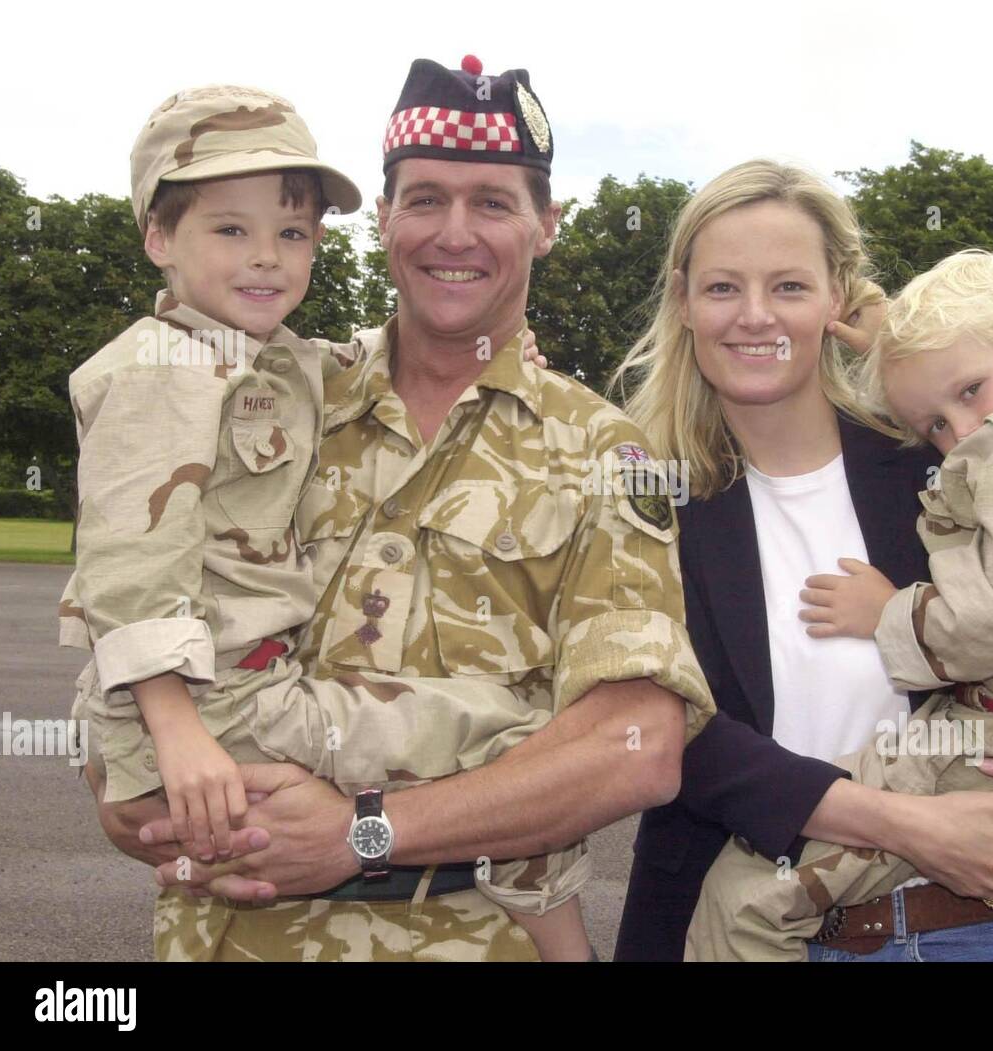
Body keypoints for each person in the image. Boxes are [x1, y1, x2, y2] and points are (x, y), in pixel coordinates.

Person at [84, 57, 716, 962]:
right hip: (233, 928)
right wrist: (136, 783)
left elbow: (638, 743)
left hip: (475, 931)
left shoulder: (610, 454)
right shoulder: (270, 399)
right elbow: (124, 621)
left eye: (493, 204)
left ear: (547, 225)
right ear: (382, 219)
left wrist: (362, 831)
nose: (453, 234)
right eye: (424, 199)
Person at [610, 159, 993, 962]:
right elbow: (652, 725)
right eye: (723, 288)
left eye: (789, 286)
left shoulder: (949, 464)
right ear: (683, 300)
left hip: (970, 925)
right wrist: (898, 820)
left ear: (838, 300)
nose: (755, 316)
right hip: (719, 919)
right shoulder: (642, 494)